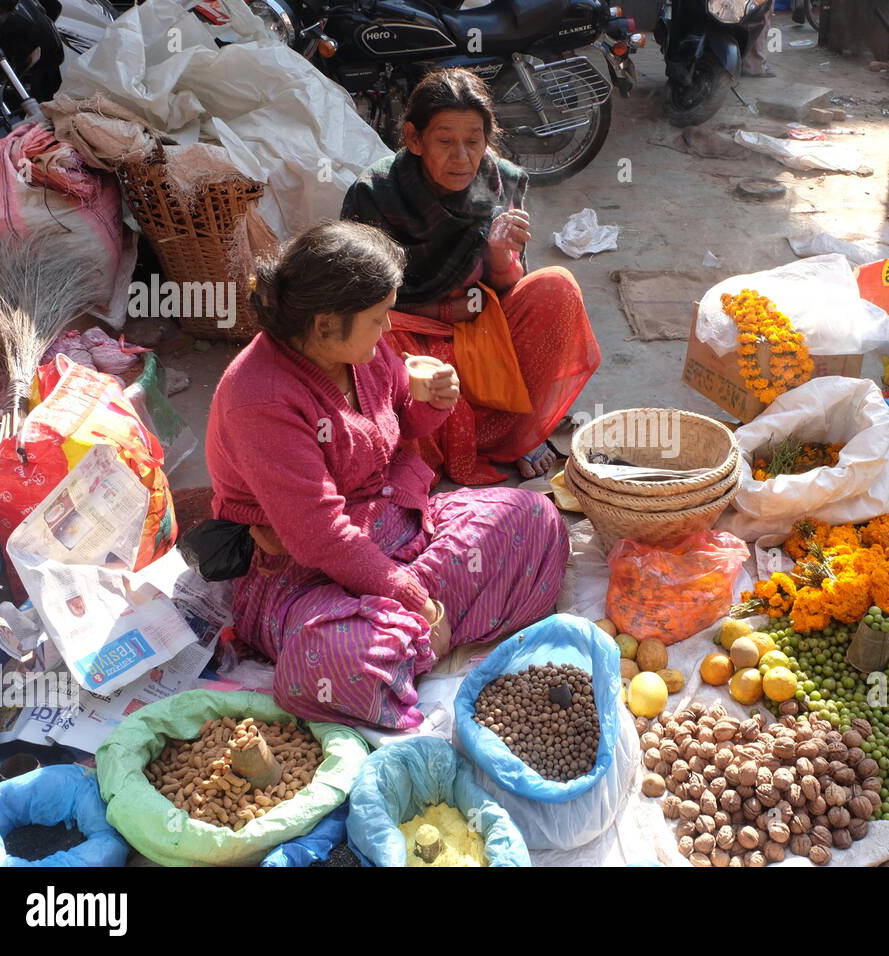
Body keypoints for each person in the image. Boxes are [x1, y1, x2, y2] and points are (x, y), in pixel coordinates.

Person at [205, 221, 569, 730]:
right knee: (337, 659)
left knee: (535, 517)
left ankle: (410, 635)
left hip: (394, 524)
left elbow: (397, 422)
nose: (386, 331)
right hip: (303, 571)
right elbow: (318, 536)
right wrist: (414, 596)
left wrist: (433, 403)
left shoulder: (363, 353)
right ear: (326, 325)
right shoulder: (260, 398)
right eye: (377, 319)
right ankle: (415, 626)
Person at [342, 68, 600, 485]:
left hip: (481, 324)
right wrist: (446, 310)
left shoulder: (503, 180)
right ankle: (426, 444)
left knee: (557, 288)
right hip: (407, 326)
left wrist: (499, 254)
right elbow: (360, 300)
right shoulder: (374, 193)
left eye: (473, 141)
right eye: (444, 141)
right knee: (371, 340)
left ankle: (513, 436)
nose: (461, 157)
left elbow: (510, 287)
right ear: (413, 138)